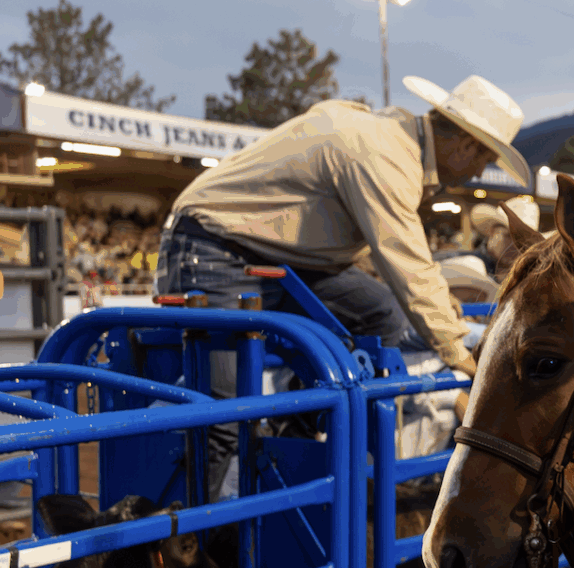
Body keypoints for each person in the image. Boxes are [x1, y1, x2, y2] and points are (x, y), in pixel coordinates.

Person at [154, 74, 531, 377]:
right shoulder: (386, 153)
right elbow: (404, 258)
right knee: (227, 403)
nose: (479, 171)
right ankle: (286, 430)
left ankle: (310, 427)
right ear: (466, 145)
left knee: (380, 311)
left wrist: (444, 310)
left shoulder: (390, 142)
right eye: (484, 159)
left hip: (276, 255)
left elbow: (397, 253)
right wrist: (456, 349)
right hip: (217, 247)